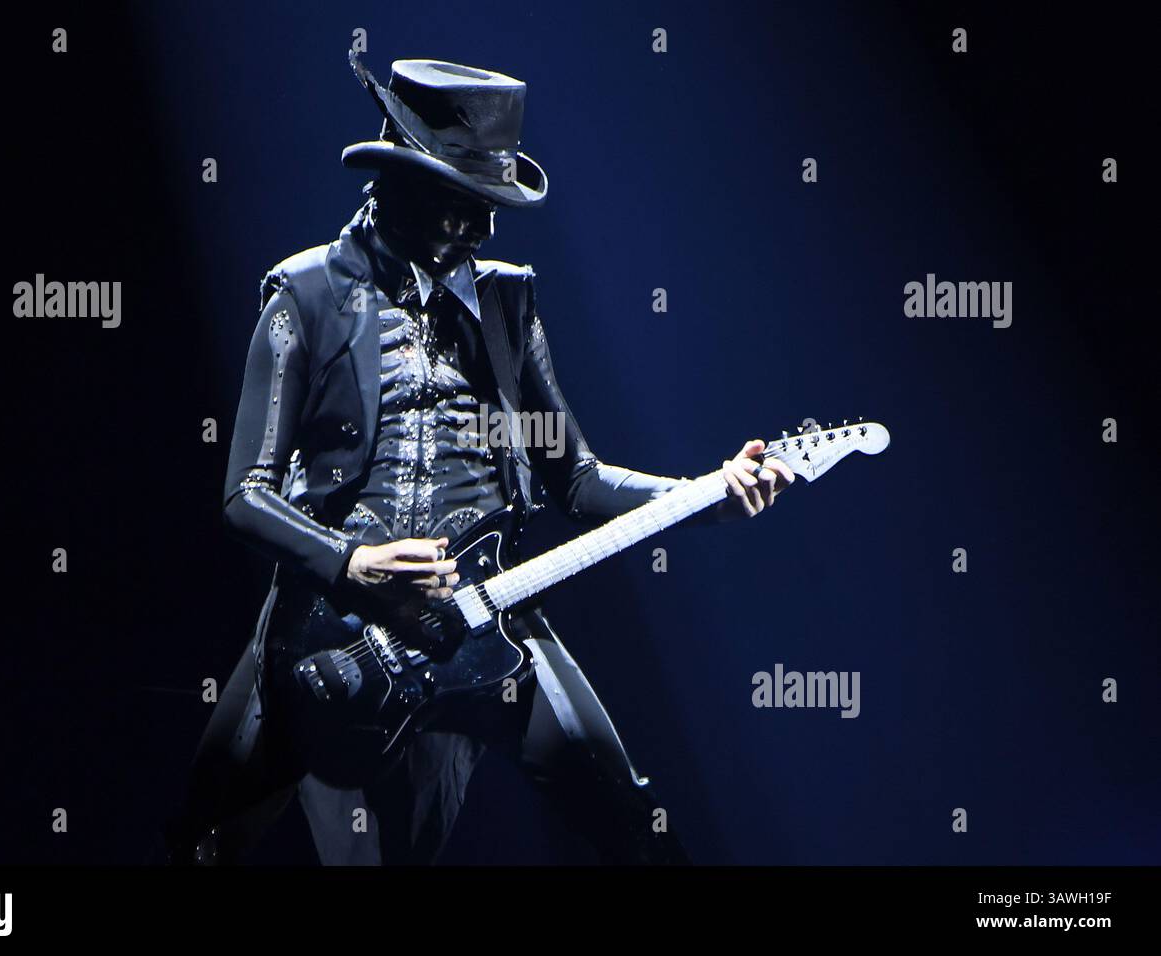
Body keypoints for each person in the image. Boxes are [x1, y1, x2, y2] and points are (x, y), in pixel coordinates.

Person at [166, 53, 793, 866]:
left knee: (636, 828)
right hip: (330, 631)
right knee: (198, 842)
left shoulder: (507, 300)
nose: (485, 228)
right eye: (466, 204)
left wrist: (705, 492)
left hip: (486, 616)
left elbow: (577, 479)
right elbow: (244, 495)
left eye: (490, 206)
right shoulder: (305, 297)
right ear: (399, 180)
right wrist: (351, 561)